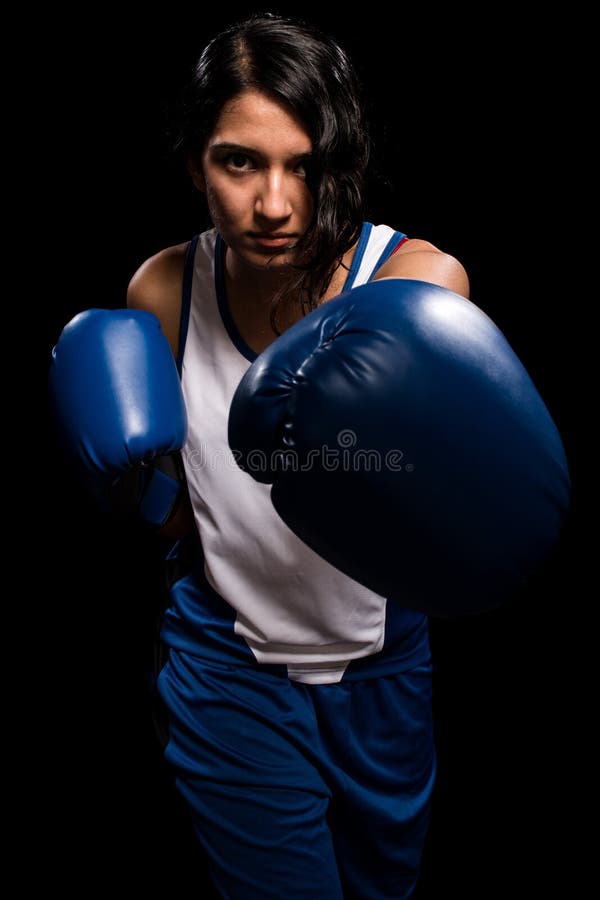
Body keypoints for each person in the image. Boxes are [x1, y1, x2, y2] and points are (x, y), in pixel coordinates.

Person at [48, 12, 571, 899]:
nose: (276, 203)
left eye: (304, 163)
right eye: (240, 161)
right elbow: (187, 513)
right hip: (228, 674)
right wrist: (126, 488)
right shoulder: (164, 288)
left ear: (340, 162)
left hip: (384, 677)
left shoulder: (418, 286)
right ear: (195, 165)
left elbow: (451, 502)